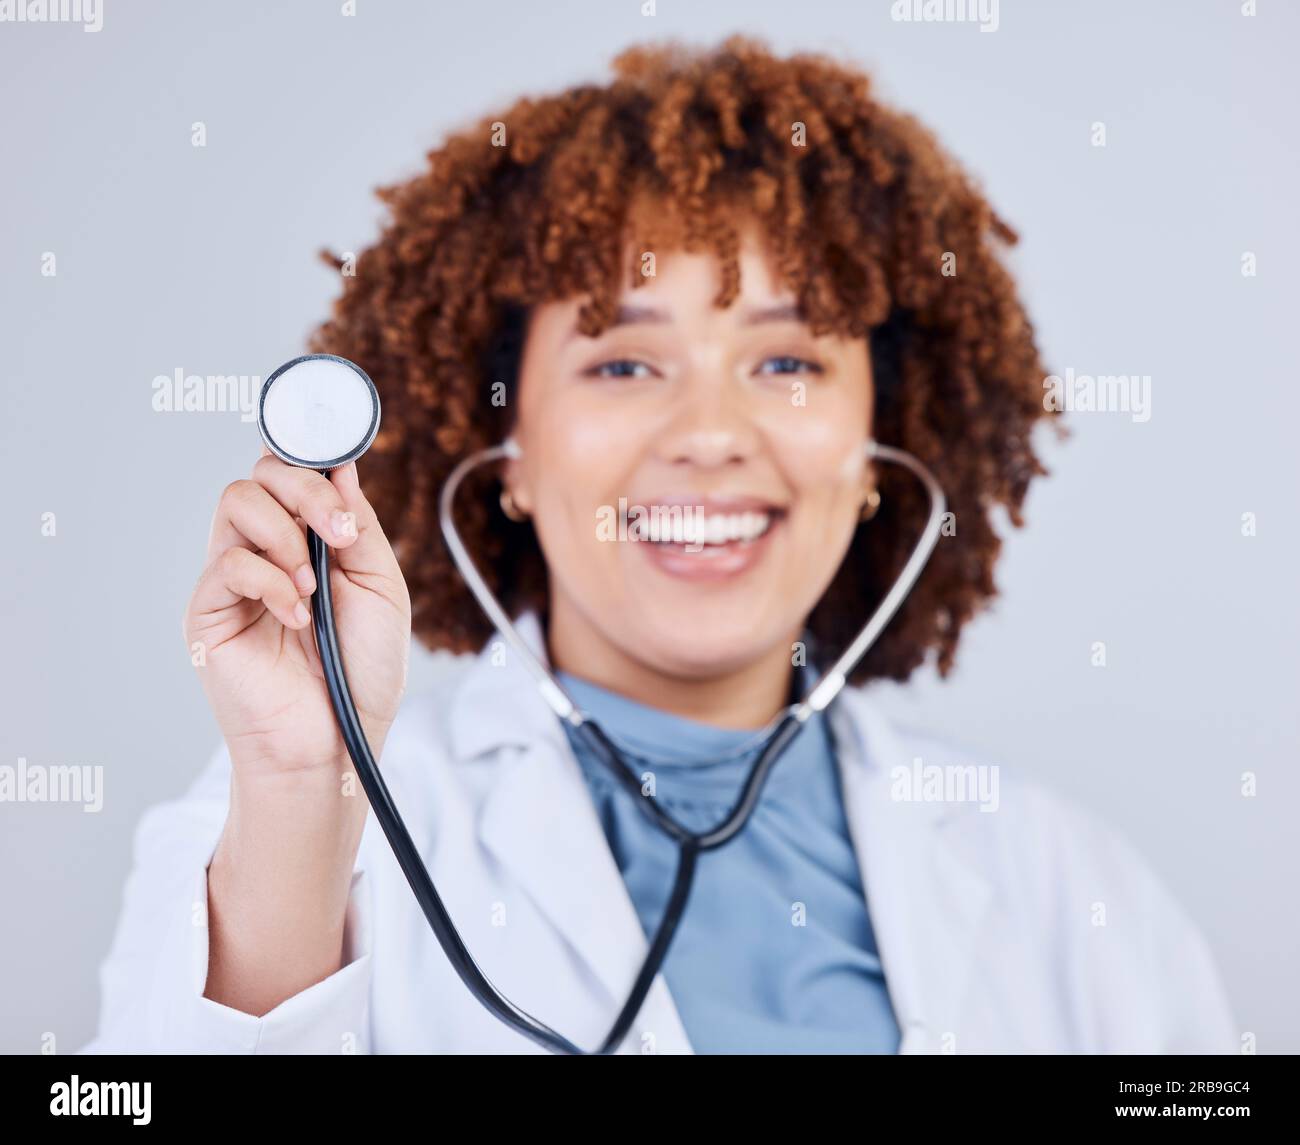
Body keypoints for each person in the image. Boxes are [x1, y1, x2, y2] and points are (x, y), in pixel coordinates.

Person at [86, 37, 1235, 1055]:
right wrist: (304, 790)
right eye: (622, 364)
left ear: (880, 446)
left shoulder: (1065, 883)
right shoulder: (289, 825)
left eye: (786, 361)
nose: (709, 436)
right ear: (509, 449)